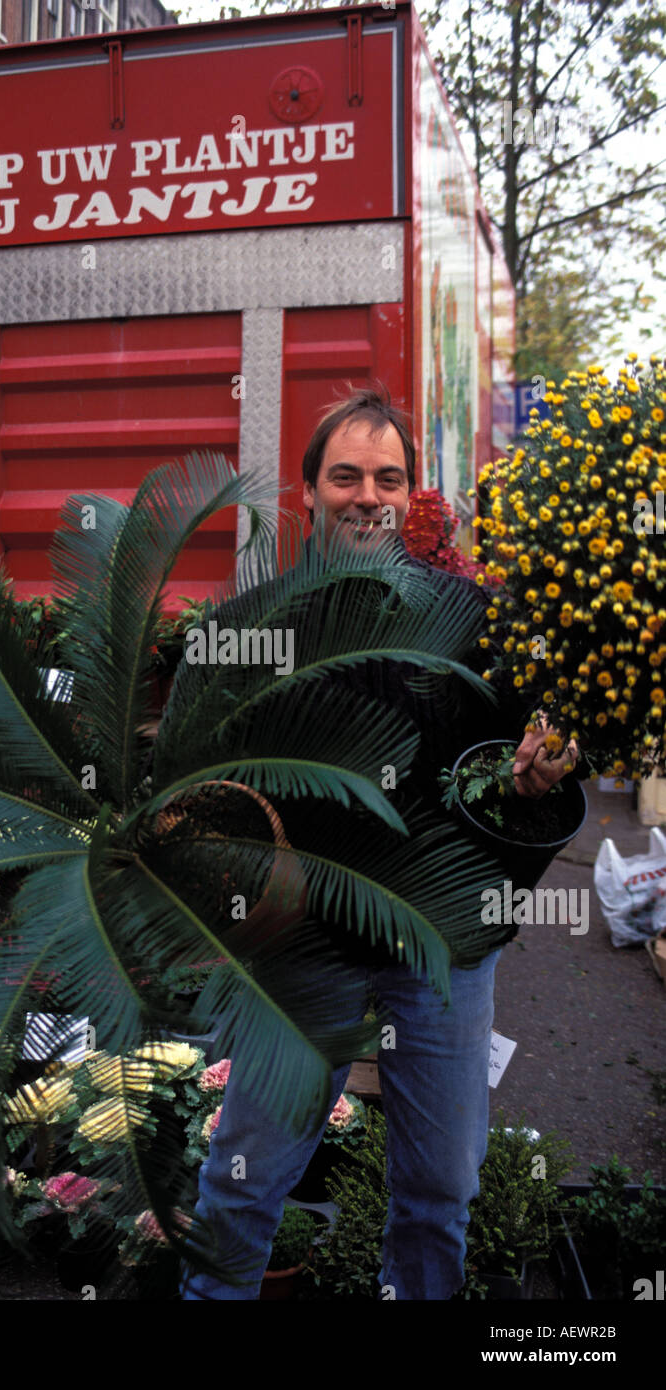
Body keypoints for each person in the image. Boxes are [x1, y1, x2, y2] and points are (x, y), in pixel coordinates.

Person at [179, 386, 578, 1300]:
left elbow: (526, 788)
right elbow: (203, 797)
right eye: (346, 476)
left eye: (387, 478)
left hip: (437, 957)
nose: (367, 494)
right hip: (301, 954)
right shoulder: (249, 630)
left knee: (439, 1191)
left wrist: (530, 784)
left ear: (410, 495)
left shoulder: (474, 626)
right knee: (245, 1182)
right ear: (310, 492)